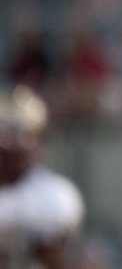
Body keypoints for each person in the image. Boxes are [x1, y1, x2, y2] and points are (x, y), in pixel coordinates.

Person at [0, 85, 84, 269]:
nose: (16, 144)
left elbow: (57, 260)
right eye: (7, 135)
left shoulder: (56, 194)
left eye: (26, 135)